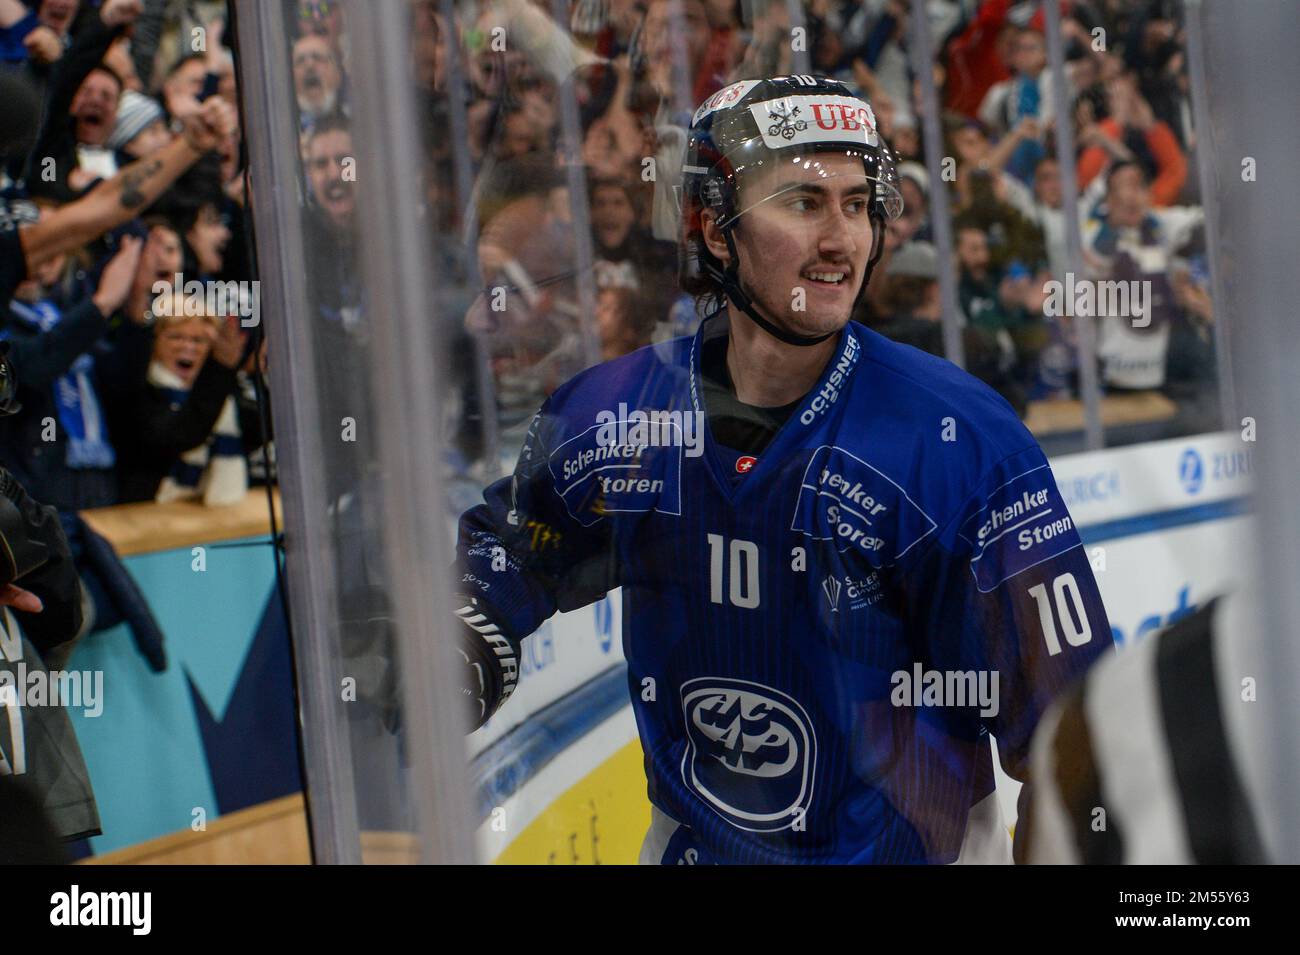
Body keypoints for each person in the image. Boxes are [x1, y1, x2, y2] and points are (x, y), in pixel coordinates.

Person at [452, 76, 1111, 864]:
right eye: (803, 202)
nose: (843, 239)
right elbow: (514, 546)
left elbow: (1076, 740)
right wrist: (455, 632)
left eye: (858, 203)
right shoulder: (617, 414)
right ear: (715, 229)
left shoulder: (960, 445)